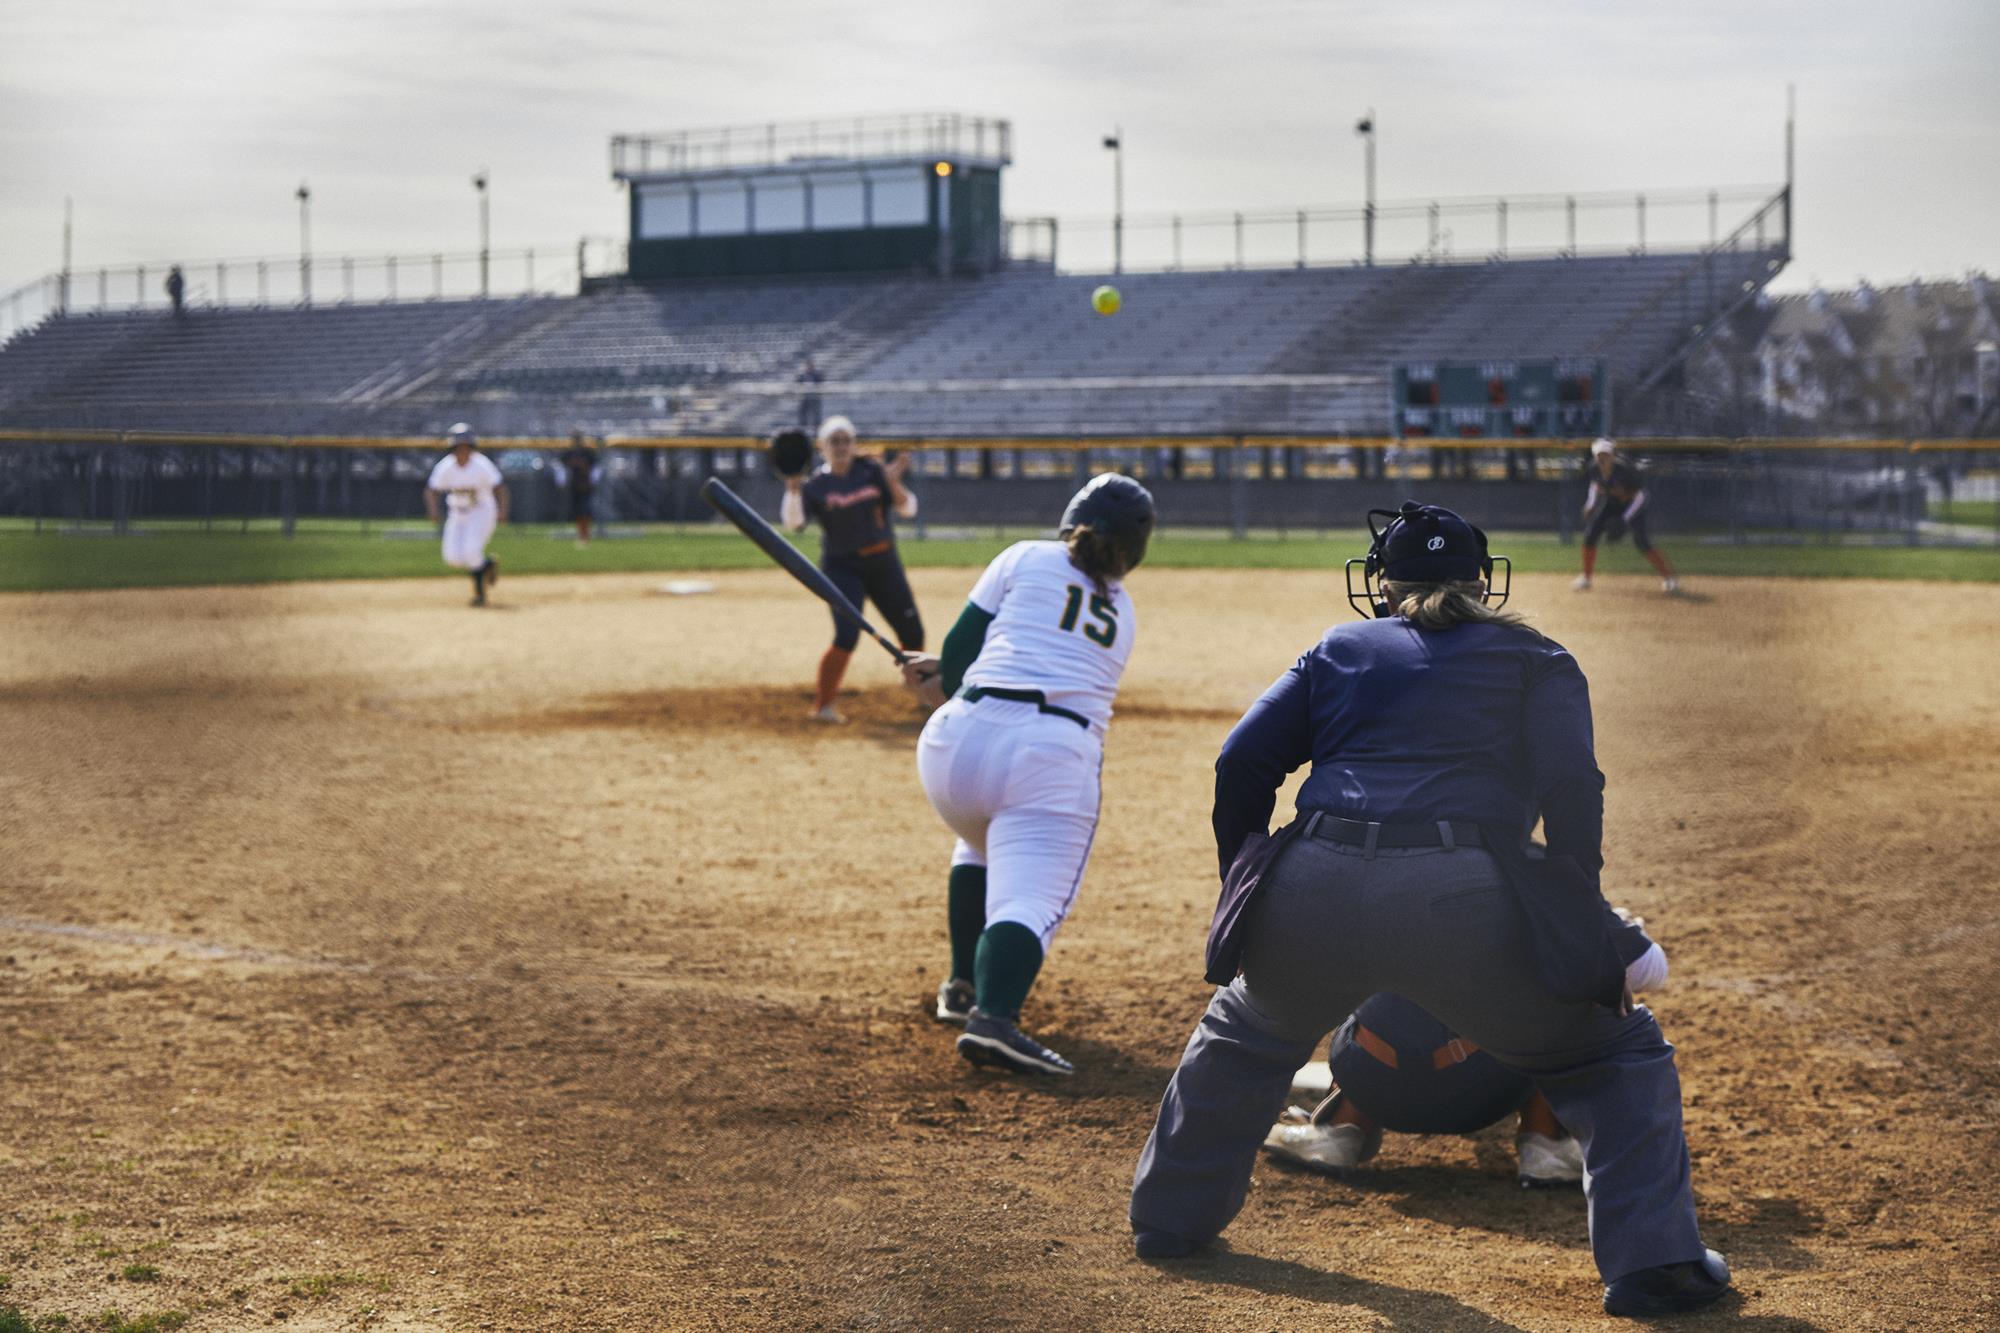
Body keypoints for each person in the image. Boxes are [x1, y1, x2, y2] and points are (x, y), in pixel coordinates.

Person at [1128, 501, 1730, 1319]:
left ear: (1381, 582)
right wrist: (1576, 910)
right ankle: (1654, 1266)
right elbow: (1572, 790)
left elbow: (1240, 762)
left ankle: (1169, 1219)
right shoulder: (1538, 658)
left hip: (1314, 878)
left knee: (1245, 1031)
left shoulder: (1339, 647)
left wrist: (1247, 877)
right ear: (1483, 581)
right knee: (1617, 1054)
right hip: (1464, 893)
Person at [898, 474, 1155, 1076]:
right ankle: (994, 1019)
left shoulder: (1023, 556)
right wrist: (955, 673)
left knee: (981, 842)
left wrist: (944, 677)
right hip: (1047, 754)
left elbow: (962, 652)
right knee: (1029, 898)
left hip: (954, 747)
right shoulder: (1123, 613)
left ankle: (963, 986)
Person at [1262, 907, 1670, 1186]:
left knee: (1373, 982)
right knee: (1569, 980)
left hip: (1374, 1083)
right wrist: (1608, 926)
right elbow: (1651, 970)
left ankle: (1339, 1130)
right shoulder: (1532, 869)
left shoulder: (1376, 855)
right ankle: (1544, 1142)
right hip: (1490, 1087)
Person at [779, 416, 924, 723]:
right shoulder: (816, 485)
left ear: (855, 444)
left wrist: (892, 480)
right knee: (846, 636)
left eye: (847, 440)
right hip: (842, 568)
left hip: (883, 563)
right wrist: (793, 487)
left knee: (912, 633)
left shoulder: (872, 472)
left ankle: (924, 693)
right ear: (822, 448)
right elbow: (794, 523)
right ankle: (823, 705)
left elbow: (908, 508)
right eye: (834, 441)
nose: (842, 446)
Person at [1575, 438, 1681, 594]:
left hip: (1633, 504)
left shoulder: (1625, 470)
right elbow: (1595, 485)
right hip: (1611, 503)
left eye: (1606, 455)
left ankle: (1669, 579)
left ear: (1613, 455)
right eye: (1599, 455)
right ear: (1595, 456)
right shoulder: (1594, 468)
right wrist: (1590, 504)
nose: (1602, 458)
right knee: (1590, 535)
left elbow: (1640, 496)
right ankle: (1586, 578)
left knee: (1642, 541)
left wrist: (1625, 518)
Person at [424, 423, 507, 606]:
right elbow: (431, 490)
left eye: (466, 446)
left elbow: (500, 487)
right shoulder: (446, 466)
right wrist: (433, 510)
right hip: (457, 514)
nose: (463, 450)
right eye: (459, 446)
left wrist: (502, 510)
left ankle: (480, 595)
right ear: (452, 448)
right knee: (453, 558)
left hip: (481, 511)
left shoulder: (481, 465)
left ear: (472, 447)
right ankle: (487, 565)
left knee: (471, 551)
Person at [558, 431, 600, 545]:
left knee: (585, 509)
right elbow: (560, 465)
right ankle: (581, 534)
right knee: (577, 511)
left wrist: (593, 480)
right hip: (574, 484)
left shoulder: (587, 452)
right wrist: (561, 480)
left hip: (585, 484)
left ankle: (585, 535)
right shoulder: (569, 452)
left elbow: (596, 466)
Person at [796, 359, 825, 431]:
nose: (809, 367)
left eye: (811, 366)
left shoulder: (817, 375)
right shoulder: (802, 375)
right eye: (808, 366)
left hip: (814, 398)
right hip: (805, 398)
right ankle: (803, 428)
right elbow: (797, 384)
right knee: (803, 413)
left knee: (816, 414)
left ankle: (817, 428)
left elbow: (821, 384)